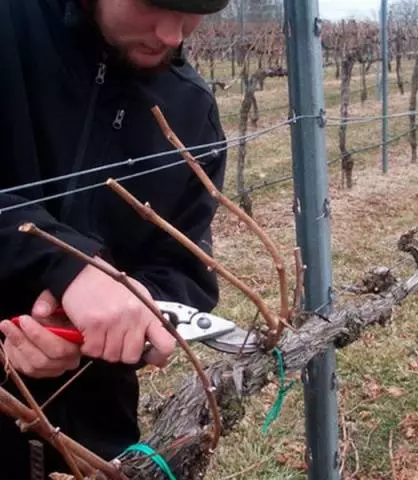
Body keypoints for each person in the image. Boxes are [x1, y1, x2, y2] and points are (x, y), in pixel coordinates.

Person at [0, 0, 230, 477]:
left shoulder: (189, 115)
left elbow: (184, 271)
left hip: (92, 439)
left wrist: (127, 316)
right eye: (153, 2)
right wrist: (65, 264)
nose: (172, 34)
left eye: (196, 11)